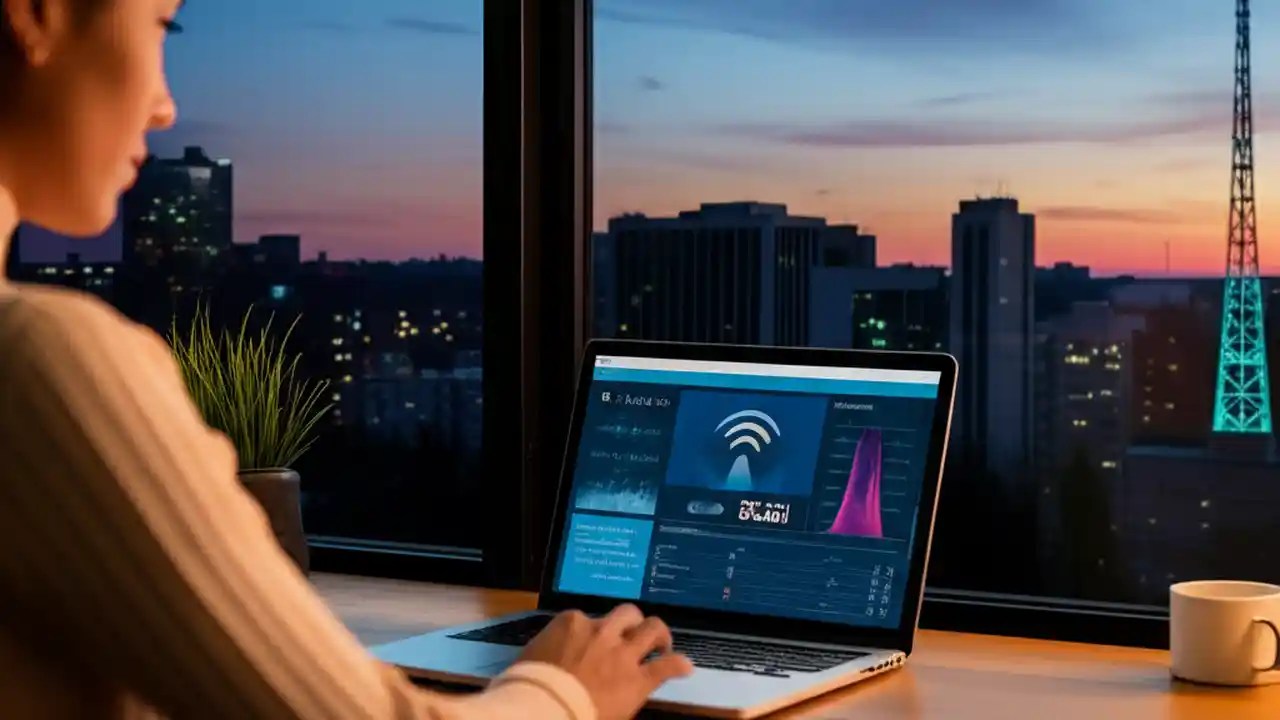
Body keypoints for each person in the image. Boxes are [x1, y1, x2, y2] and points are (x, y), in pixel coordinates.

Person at [0, 0, 693, 718]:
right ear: (36, 14)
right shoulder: (39, 359)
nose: (165, 106)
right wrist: (566, 688)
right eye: (160, 25)